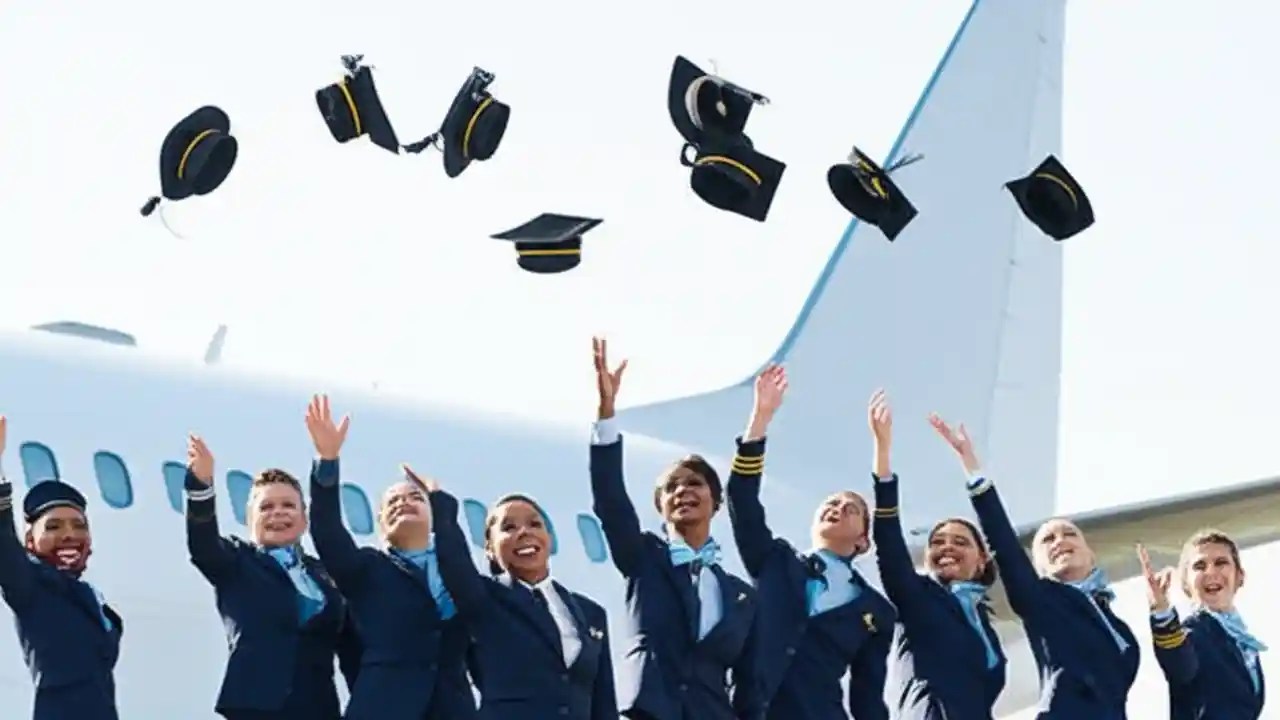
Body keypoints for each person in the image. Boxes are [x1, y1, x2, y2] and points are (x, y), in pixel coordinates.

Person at [588, 336, 762, 720]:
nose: (683, 491)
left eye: (695, 483)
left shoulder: (741, 596)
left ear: (716, 502)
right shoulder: (643, 558)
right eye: (671, 487)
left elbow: (749, 683)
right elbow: (611, 501)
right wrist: (606, 415)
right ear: (660, 506)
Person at [930, 414, 1138, 718]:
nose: (1059, 541)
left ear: (1091, 554)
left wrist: (1163, 616)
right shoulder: (1040, 599)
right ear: (1037, 566)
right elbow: (1003, 542)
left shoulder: (1118, 626)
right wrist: (973, 471)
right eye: (1047, 540)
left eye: (1069, 534)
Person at [724, 368, 893, 719]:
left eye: (852, 509)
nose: (838, 507)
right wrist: (761, 418)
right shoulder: (774, 560)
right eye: (831, 503)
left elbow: (868, 698)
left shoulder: (877, 612)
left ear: (864, 540)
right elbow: (742, 499)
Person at [303, 394, 477, 720]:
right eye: (392, 503)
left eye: (414, 497)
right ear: (382, 526)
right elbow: (327, 532)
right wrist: (327, 461)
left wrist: (440, 498)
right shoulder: (367, 569)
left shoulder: (459, 575)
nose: (403, 503)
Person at [183, 433, 360, 720]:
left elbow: (353, 652)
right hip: (256, 709)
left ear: (304, 520)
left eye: (288, 506)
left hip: (319, 710)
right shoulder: (237, 563)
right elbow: (203, 546)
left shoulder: (326, 576)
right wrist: (201, 488)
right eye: (266, 507)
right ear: (251, 520)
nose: (278, 512)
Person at [418, 469, 617, 720]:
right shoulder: (486, 597)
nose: (524, 532)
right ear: (489, 548)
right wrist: (439, 502)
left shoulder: (591, 613)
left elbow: (603, 704)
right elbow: (454, 563)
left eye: (535, 524)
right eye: (508, 527)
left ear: (548, 538)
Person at [865, 391, 1004, 719]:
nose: (947, 547)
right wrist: (883, 459)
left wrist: (971, 463)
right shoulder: (917, 598)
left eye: (960, 541)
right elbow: (889, 544)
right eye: (937, 542)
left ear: (982, 559)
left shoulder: (981, 622)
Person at [0, 415, 123, 720]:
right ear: (30, 542)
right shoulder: (30, 587)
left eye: (79, 525)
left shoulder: (92, 599)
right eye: (53, 526)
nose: (69, 534)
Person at [1140, 532, 1267, 718]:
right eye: (1200, 566)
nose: (1211, 572)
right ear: (1186, 584)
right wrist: (1162, 614)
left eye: (1221, 562)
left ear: (1240, 576)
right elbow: (1180, 663)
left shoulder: (1240, 639)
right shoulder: (1193, 633)